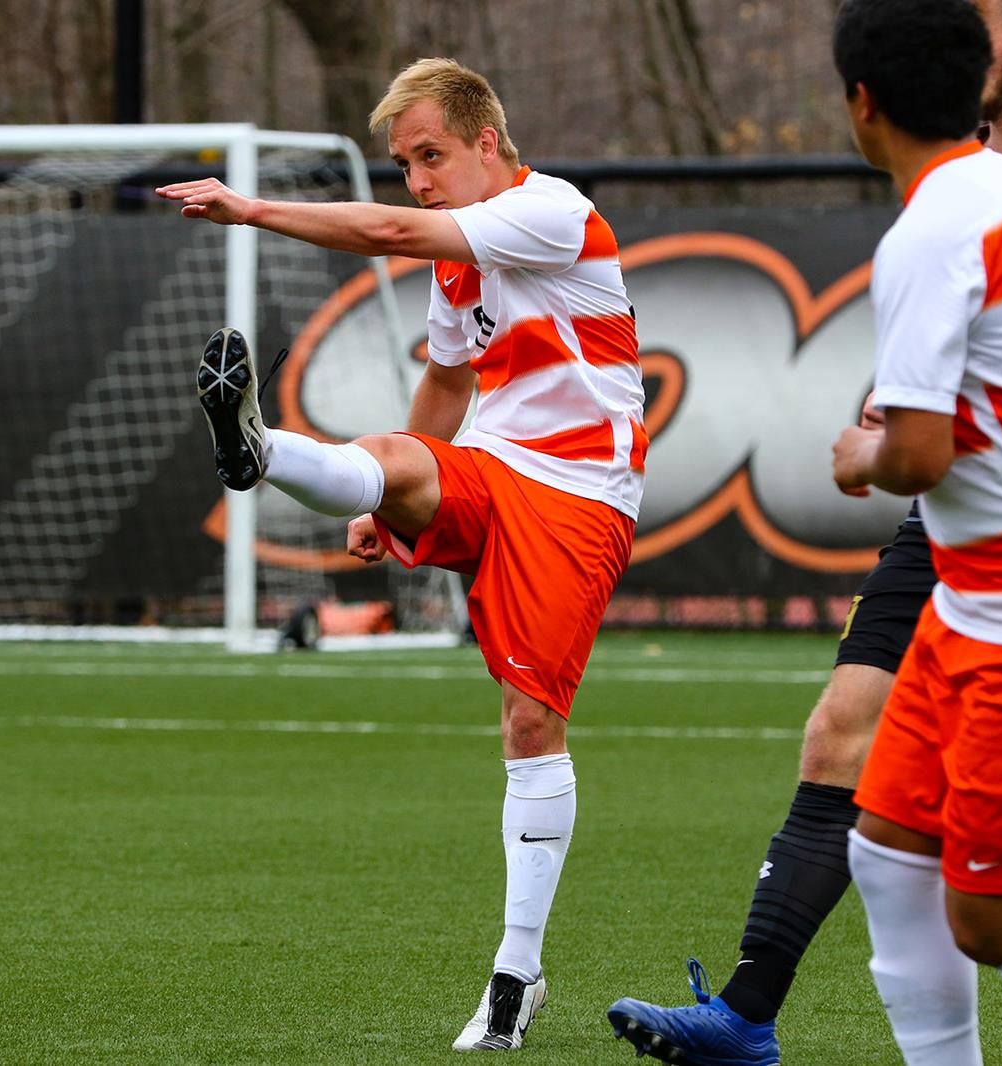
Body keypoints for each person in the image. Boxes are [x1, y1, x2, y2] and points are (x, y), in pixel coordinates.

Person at [604, 1, 1002, 1061]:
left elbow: (912, 456)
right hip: (994, 594)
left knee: (989, 918)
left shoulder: (928, 232)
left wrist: (857, 457)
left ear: (860, 104)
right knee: (881, 844)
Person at [158, 58, 645, 1052]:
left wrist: (250, 210)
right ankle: (257, 451)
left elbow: (384, 231)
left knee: (529, 720)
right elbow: (443, 386)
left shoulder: (550, 210)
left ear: (486, 143)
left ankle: (518, 973)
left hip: (580, 495)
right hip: (491, 469)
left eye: (429, 156)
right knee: (379, 453)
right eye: (405, 162)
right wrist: (387, 491)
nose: (416, 178)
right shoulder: (459, 264)